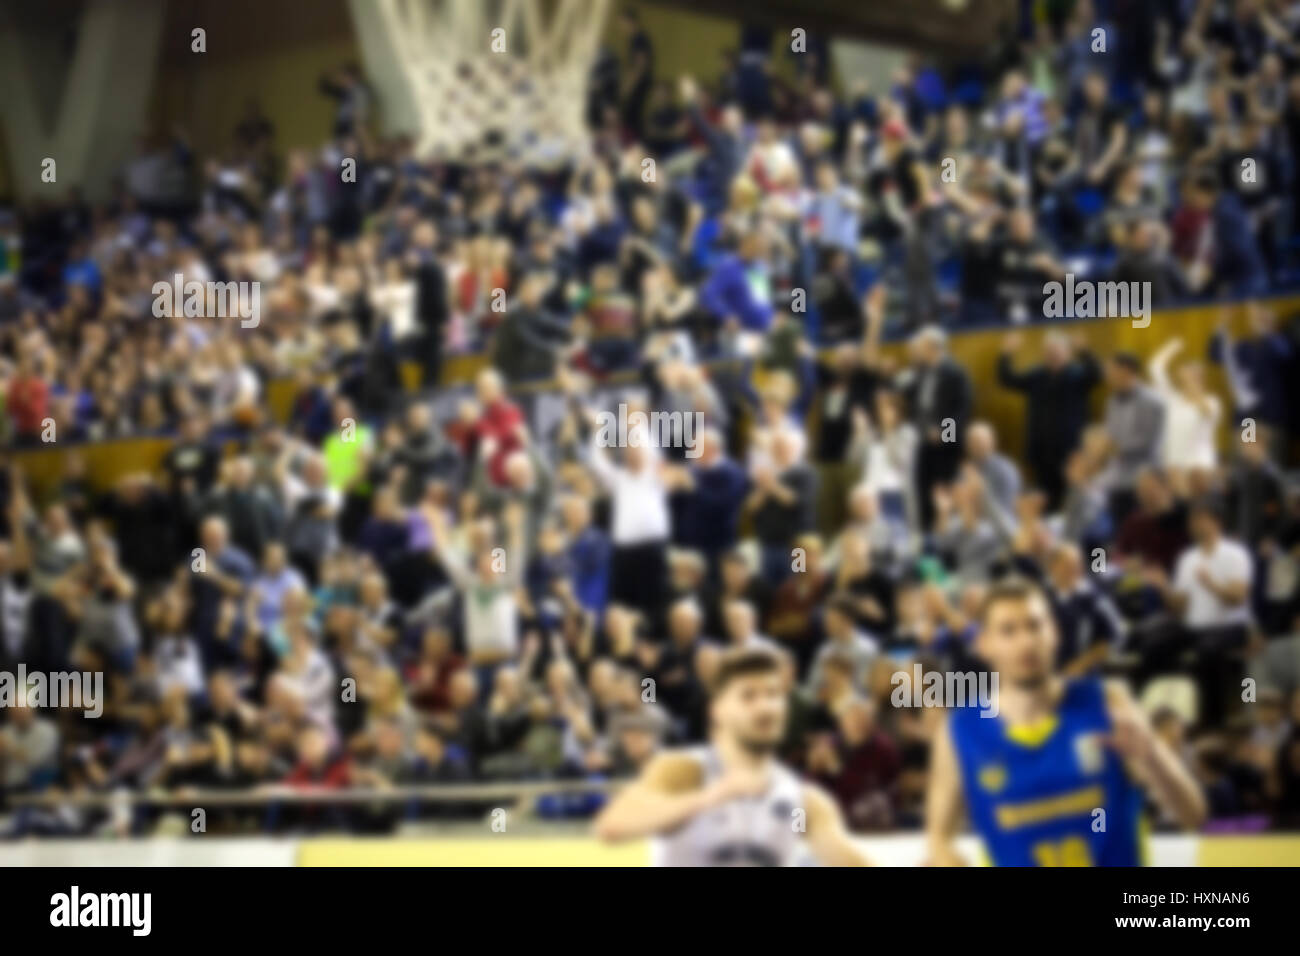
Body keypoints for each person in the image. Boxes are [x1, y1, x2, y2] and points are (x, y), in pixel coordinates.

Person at [925, 577, 1206, 866]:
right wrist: (946, 859)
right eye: (1008, 631)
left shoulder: (1107, 702)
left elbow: (1193, 815)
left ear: (1055, 633)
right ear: (984, 645)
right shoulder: (961, 731)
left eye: (1035, 625)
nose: (1026, 641)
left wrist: (1153, 756)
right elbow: (938, 839)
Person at [594, 647, 871, 866]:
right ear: (717, 710)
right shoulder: (686, 771)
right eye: (748, 696)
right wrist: (710, 797)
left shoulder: (802, 802)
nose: (765, 706)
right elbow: (613, 825)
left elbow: (845, 858)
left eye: (773, 694)